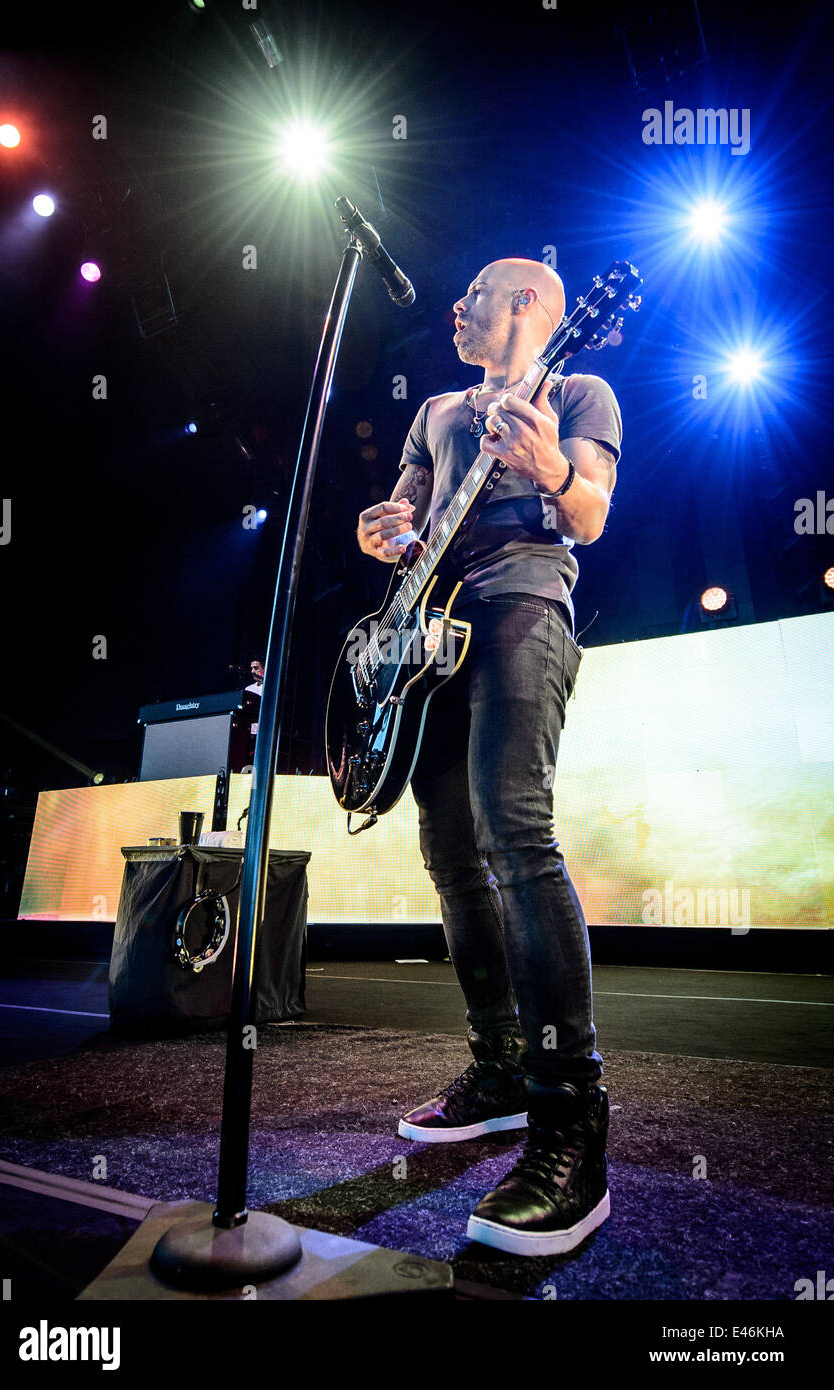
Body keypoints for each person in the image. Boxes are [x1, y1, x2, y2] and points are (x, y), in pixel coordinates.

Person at [356, 257, 622, 1257]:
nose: (454, 310)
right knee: (452, 857)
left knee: (513, 832)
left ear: (531, 305)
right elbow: (405, 518)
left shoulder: (580, 388)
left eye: (470, 296)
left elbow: (589, 512)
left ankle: (568, 1125)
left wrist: (553, 466)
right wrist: (382, 532)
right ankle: (500, 1069)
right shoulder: (435, 410)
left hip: (521, 600)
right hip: (426, 632)